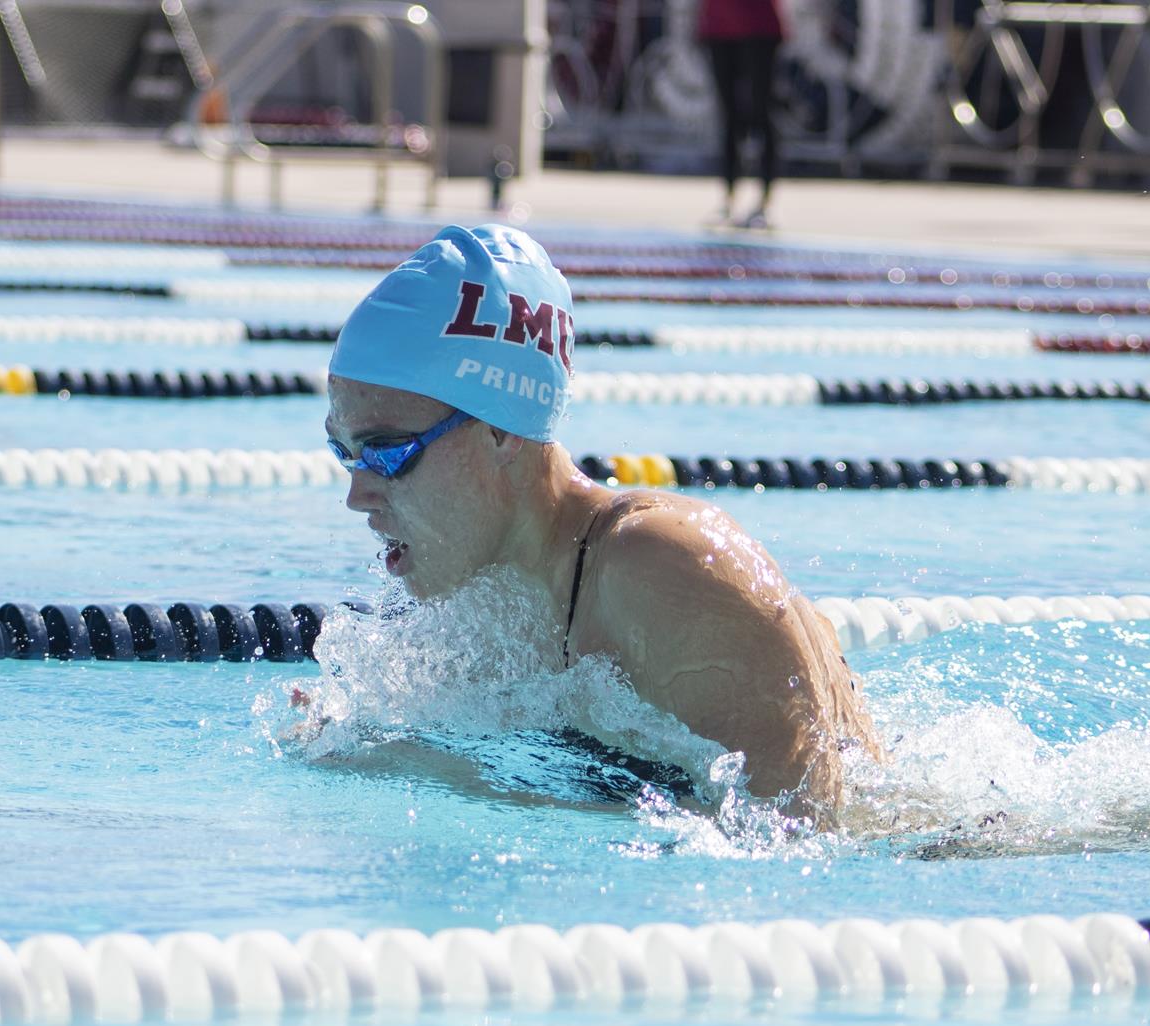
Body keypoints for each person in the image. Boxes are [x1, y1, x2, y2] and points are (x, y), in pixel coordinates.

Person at [316, 224, 880, 811]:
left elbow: (802, 835)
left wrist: (431, 770)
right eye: (344, 453)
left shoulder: (665, 569)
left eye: (387, 452)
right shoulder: (491, 596)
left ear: (500, 431)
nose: (358, 493)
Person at [699, 0, 787, 229]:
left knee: (761, 113)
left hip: (758, 26)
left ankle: (763, 203)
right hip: (719, 25)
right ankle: (727, 199)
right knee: (728, 118)